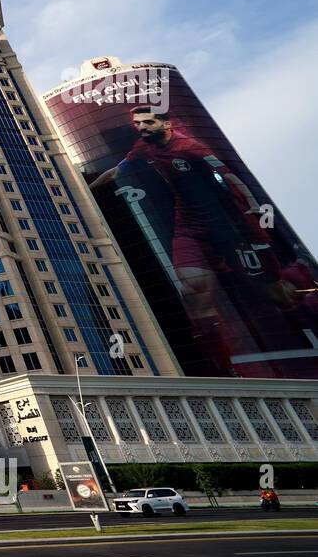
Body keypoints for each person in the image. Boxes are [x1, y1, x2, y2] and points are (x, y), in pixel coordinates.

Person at [91, 106, 301, 372]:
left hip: (229, 226)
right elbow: (115, 172)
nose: (141, 127)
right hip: (188, 226)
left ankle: (301, 320)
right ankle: (224, 370)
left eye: (147, 122)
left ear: (165, 124)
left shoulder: (190, 147)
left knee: (273, 289)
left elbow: (230, 176)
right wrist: (81, 190)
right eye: (137, 124)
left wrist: (251, 206)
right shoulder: (143, 147)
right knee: (193, 289)